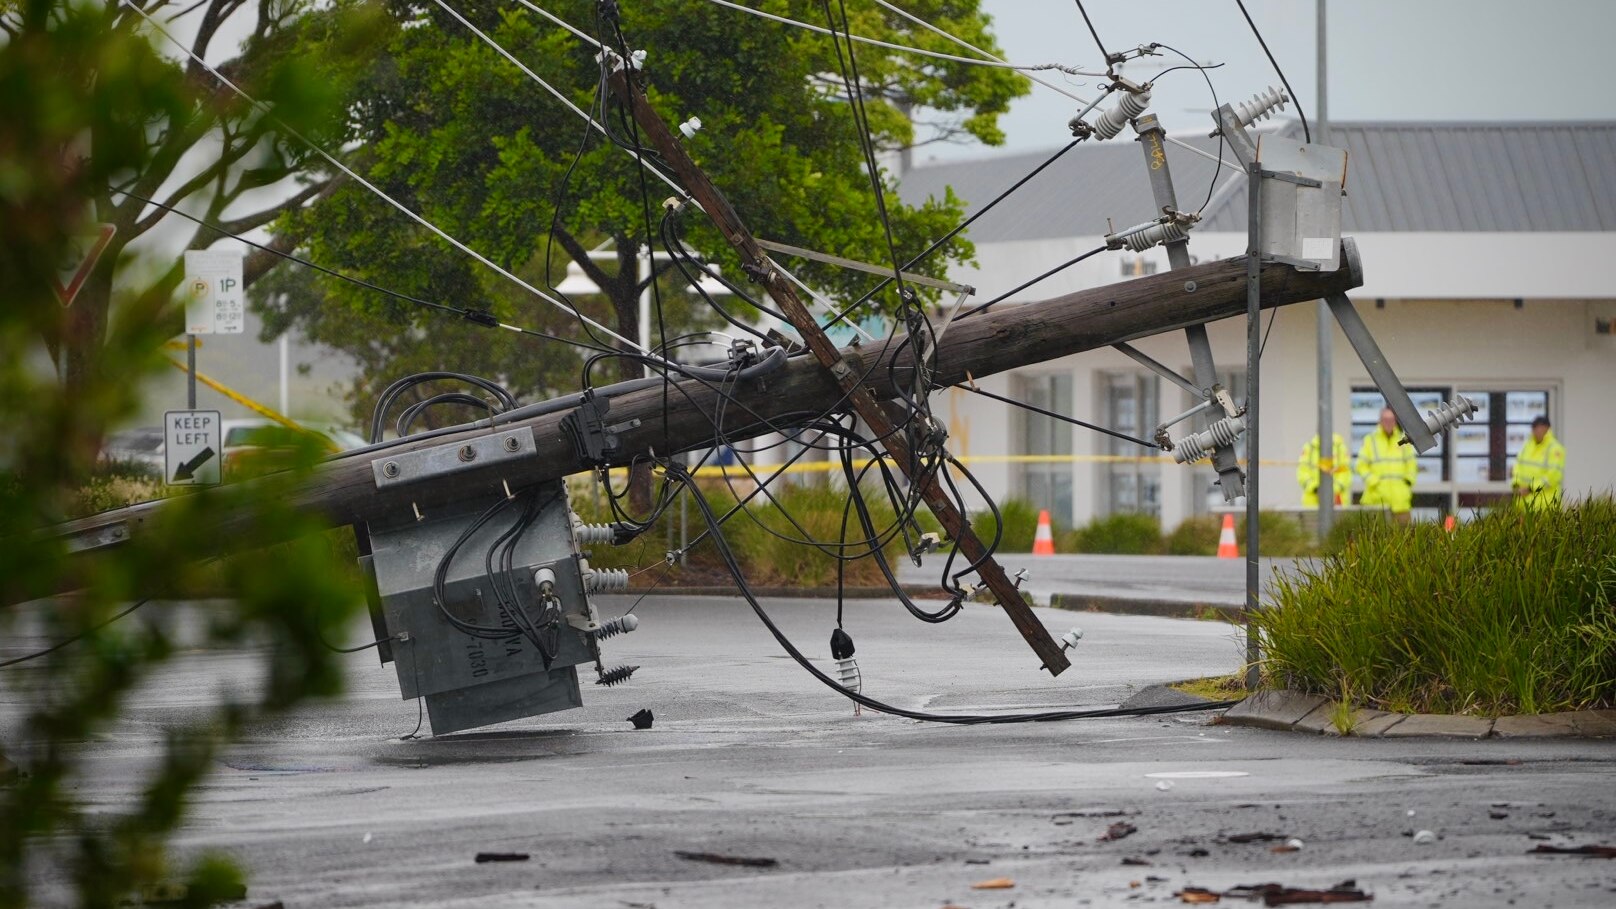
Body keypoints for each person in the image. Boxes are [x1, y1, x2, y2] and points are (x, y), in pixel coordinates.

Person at [1356, 407, 1417, 522]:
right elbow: (1361, 465)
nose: (1388, 423)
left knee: (1404, 537)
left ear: (1395, 421)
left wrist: (1408, 481)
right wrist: (1373, 482)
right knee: (1375, 538)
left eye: (1391, 420)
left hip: (1400, 501)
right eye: (1385, 420)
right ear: (1380, 421)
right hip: (1376, 500)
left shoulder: (1403, 440)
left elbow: (1411, 464)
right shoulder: (1370, 440)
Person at [1512, 415, 1566, 510]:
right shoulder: (1527, 446)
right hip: (1523, 505)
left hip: (1545, 507)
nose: (1536, 432)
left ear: (1547, 429)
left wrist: (1530, 488)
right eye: (1535, 429)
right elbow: (1517, 467)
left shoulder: (1555, 449)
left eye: (1539, 428)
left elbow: (1553, 477)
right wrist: (1516, 485)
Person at [1297, 433, 1351, 508]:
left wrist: (1332, 489)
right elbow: (1303, 472)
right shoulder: (1309, 447)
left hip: (1336, 500)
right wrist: (1315, 488)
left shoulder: (1340, 447)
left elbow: (1345, 472)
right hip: (1312, 502)